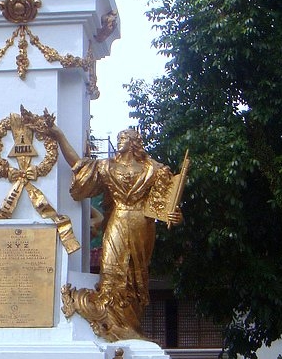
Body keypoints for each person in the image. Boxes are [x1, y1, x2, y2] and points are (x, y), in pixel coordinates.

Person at [39, 119, 184, 339]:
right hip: (117, 220)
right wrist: (59, 136)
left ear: (134, 142)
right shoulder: (107, 167)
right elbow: (79, 166)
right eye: (119, 137)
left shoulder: (154, 170)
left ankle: (132, 325)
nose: (120, 140)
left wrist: (176, 216)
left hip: (142, 225)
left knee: (135, 274)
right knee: (111, 268)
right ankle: (114, 322)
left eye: (124, 137)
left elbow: (167, 205)